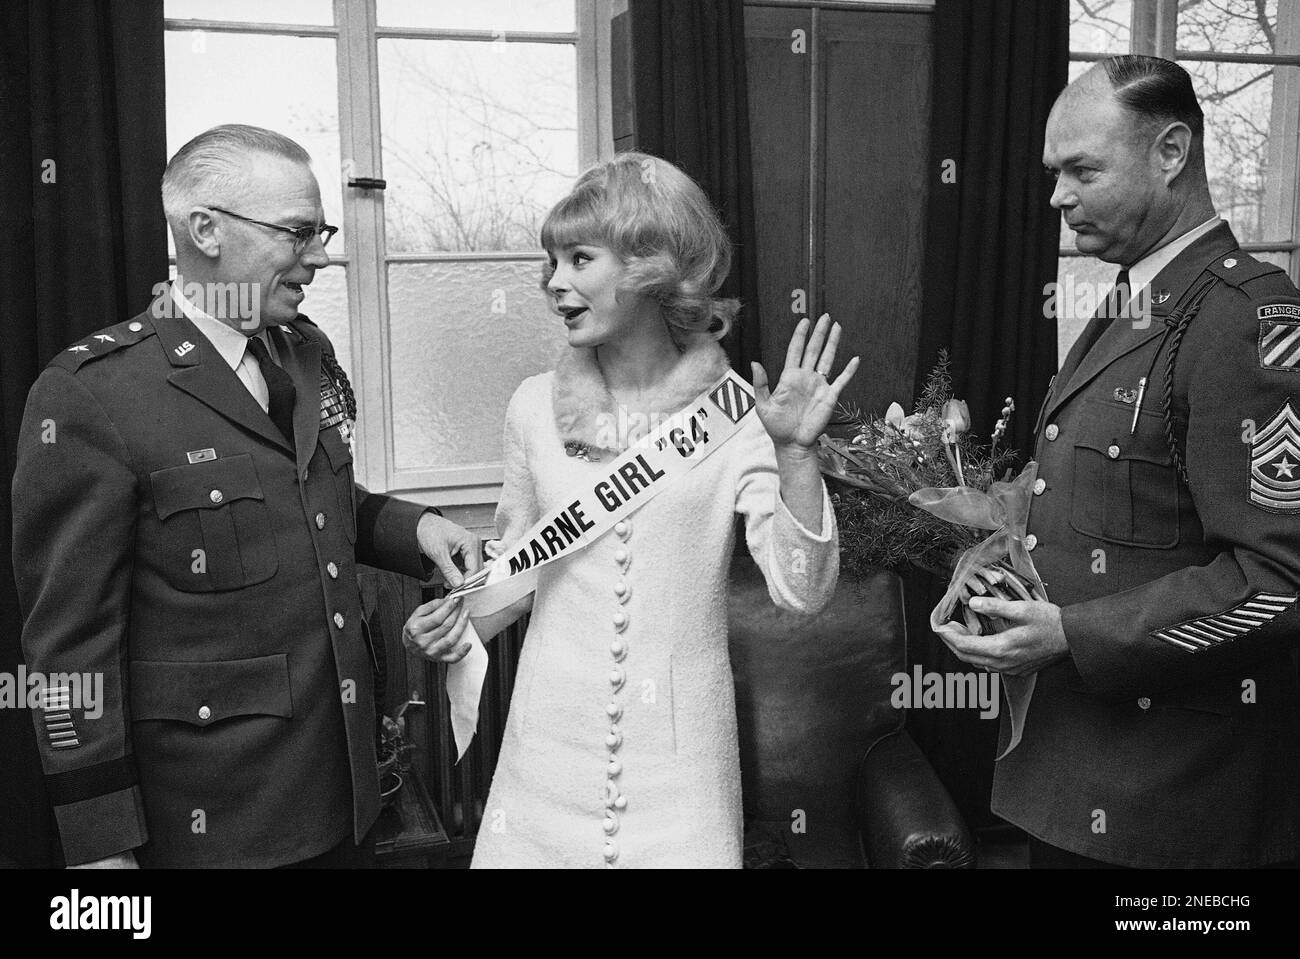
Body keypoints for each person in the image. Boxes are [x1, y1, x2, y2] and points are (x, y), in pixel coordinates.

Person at [11, 124, 481, 868]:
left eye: (319, 231)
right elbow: (68, 653)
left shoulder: (300, 352)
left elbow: (314, 502)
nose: (321, 256)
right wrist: (100, 847)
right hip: (211, 824)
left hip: (344, 798)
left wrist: (416, 527)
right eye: (298, 233)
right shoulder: (92, 394)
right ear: (205, 230)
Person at [402, 153, 859, 867]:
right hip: (546, 756)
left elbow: (803, 591)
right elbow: (517, 576)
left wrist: (797, 456)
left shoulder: (738, 413)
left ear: (650, 266)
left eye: (579, 258)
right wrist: (458, 625)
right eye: (550, 262)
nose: (555, 283)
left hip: (681, 772)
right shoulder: (530, 406)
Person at [935, 56, 1300, 868]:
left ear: (1172, 153)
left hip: (1172, 808)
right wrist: (995, 550)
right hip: (1077, 779)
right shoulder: (1137, 295)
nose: (1058, 195)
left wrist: (1071, 633)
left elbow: (1279, 582)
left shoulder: (1245, 318)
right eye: (1053, 172)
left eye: (1082, 170)